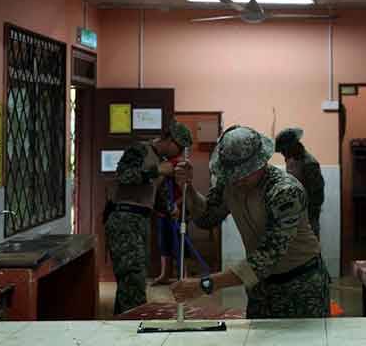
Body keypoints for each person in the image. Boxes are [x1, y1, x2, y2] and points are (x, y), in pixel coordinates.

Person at [171, 125, 329, 318]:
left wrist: (205, 284)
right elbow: (206, 218)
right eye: (233, 173)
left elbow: (266, 259)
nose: (238, 179)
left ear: (261, 162)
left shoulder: (285, 192)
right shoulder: (230, 181)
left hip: (300, 287)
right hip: (259, 288)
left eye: (244, 172)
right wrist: (188, 188)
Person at [106, 121, 192, 315]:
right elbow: (124, 176)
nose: (178, 153)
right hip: (124, 219)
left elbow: (156, 193)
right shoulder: (140, 150)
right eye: (178, 147)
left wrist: (171, 208)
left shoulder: (159, 159)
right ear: (169, 139)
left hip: (141, 220)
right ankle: (133, 325)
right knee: (132, 276)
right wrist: (157, 170)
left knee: (135, 277)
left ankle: (123, 322)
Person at [151, 122, 194, 285]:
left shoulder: (180, 164)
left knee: (181, 242)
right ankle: (164, 275)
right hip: (163, 212)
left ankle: (184, 275)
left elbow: (186, 191)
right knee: (164, 244)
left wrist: (177, 205)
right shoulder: (162, 162)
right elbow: (156, 184)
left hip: (178, 211)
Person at [275, 127, 325, 238]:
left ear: (292, 147)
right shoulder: (293, 159)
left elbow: (317, 196)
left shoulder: (309, 164)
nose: (283, 154)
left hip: (308, 215)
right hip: (295, 212)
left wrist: (306, 215)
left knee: (311, 247)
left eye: (284, 150)